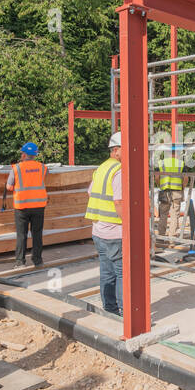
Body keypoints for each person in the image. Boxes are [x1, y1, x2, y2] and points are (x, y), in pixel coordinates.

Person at [85, 131, 124, 316]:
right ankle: (127, 313)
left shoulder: (102, 168)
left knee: (107, 273)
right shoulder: (119, 170)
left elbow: (91, 192)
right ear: (116, 150)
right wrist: (130, 227)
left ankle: (110, 310)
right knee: (123, 274)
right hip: (115, 232)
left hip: (99, 230)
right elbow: (119, 202)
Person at [7, 141, 48, 267]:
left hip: (22, 207)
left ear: (24, 155)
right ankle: (38, 260)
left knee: (21, 235)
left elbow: (9, 187)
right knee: (37, 234)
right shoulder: (42, 167)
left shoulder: (16, 168)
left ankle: (20, 261)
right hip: (39, 206)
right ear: (35, 155)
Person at [154, 143, 185, 241]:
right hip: (177, 192)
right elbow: (186, 178)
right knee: (174, 215)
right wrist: (182, 188)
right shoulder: (181, 163)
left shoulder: (161, 163)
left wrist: (160, 186)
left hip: (165, 191)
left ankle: (161, 237)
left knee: (163, 214)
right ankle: (172, 238)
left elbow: (157, 177)